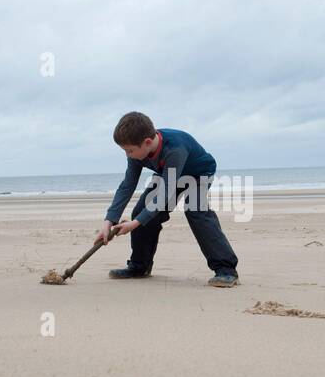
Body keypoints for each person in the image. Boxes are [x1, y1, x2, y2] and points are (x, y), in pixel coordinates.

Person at [97, 111, 240, 287]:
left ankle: (226, 270)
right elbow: (127, 185)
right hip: (168, 175)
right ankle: (139, 266)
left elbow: (165, 194)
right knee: (141, 211)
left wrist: (135, 224)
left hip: (198, 174)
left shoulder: (175, 149)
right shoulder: (137, 150)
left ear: (147, 142)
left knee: (195, 211)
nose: (128, 155)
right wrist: (109, 220)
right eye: (125, 151)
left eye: (130, 151)